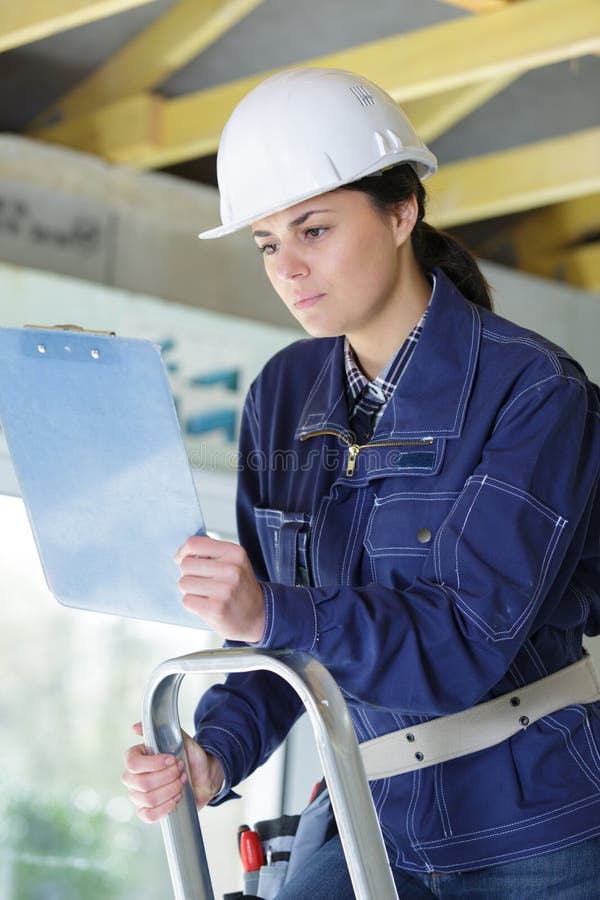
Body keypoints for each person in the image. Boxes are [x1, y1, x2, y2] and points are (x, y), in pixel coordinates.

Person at [121, 68, 600, 898]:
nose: (288, 268)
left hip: (531, 826)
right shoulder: (282, 394)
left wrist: (270, 611)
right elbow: (275, 637)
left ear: (401, 212)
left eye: (313, 230)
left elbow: (465, 639)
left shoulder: (534, 393)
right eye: (268, 243)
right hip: (363, 808)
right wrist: (217, 752)